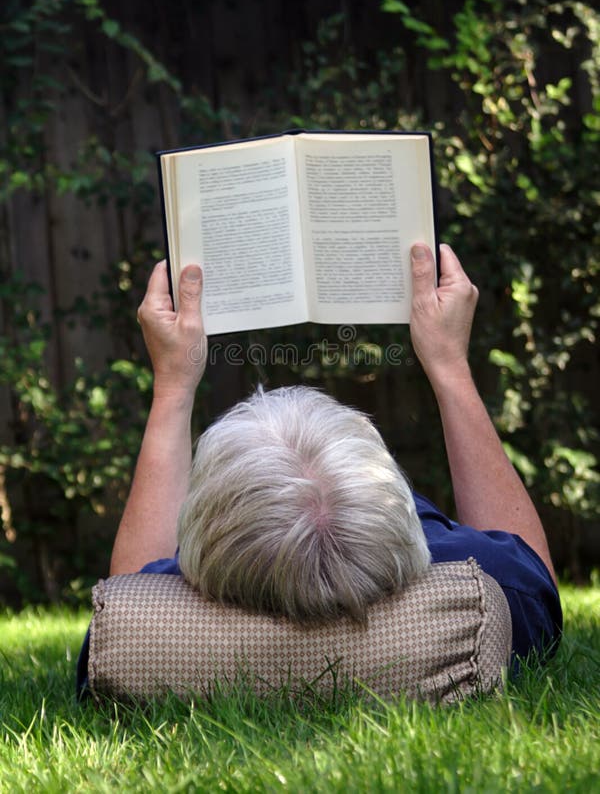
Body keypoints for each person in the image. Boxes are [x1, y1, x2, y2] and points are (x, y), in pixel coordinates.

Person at [76, 244, 562, 694]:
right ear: (400, 514)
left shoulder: (146, 633)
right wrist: (449, 363)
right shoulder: (482, 578)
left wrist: (172, 389)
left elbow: (133, 589)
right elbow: (533, 573)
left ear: (201, 548)